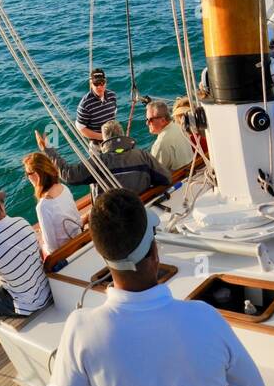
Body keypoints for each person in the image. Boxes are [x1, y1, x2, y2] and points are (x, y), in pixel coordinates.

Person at [49, 189, 265, 386]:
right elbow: (249, 384)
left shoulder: (81, 329)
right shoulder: (204, 317)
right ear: (154, 252)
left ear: (102, 254)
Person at [0, 186, 53, 332]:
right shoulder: (22, 222)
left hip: (27, 306)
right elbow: (39, 254)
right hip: (46, 291)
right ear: (1, 205)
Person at [37, 120, 172, 196]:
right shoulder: (143, 155)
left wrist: (48, 150)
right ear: (122, 134)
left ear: (105, 139)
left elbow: (69, 175)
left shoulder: (99, 163)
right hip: (141, 207)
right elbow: (166, 178)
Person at [23, 152, 84, 257]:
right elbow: (78, 220)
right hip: (80, 241)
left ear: (37, 175)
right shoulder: (64, 188)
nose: (28, 177)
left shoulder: (43, 206)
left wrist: (42, 245)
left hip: (66, 254)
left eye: (28, 173)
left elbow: (52, 248)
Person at [146, 99, 194, 172]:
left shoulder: (160, 143)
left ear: (162, 120)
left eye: (150, 120)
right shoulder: (179, 127)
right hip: (192, 168)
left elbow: (156, 173)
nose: (147, 123)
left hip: (179, 179)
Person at [76, 68, 118, 142]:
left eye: (102, 83)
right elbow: (81, 128)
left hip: (113, 140)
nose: (99, 86)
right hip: (97, 144)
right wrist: (102, 137)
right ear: (91, 84)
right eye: (96, 83)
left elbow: (113, 116)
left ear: (105, 82)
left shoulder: (112, 95)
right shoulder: (85, 104)